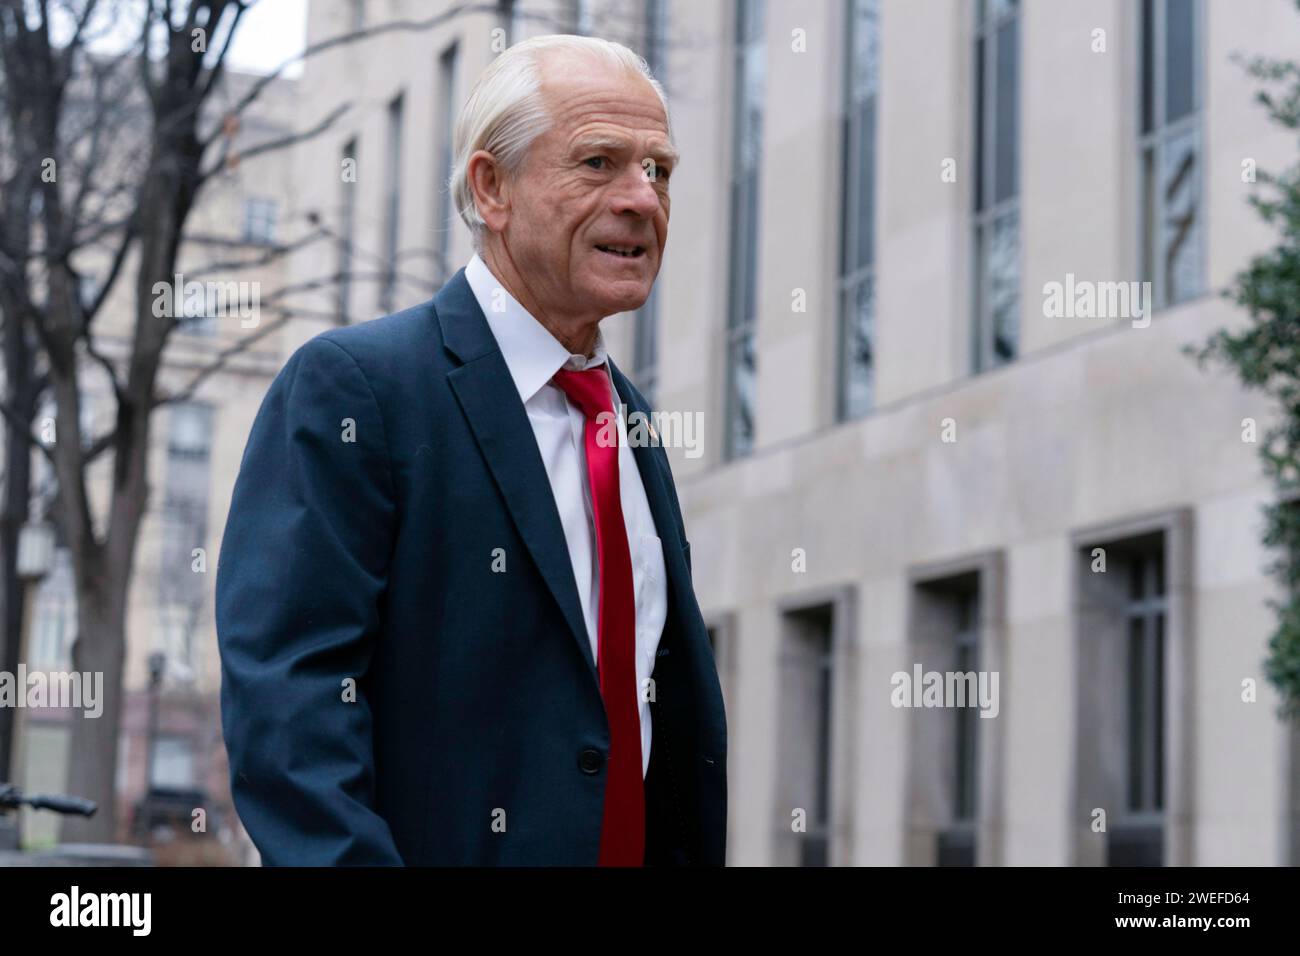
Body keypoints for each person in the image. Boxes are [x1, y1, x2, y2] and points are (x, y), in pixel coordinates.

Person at [215, 34, 726, 866]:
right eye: (599, 162)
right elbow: (289, 718)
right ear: (493, 188)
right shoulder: (356, 390)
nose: (642, 198)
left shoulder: (627, 421)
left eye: (659, 170)